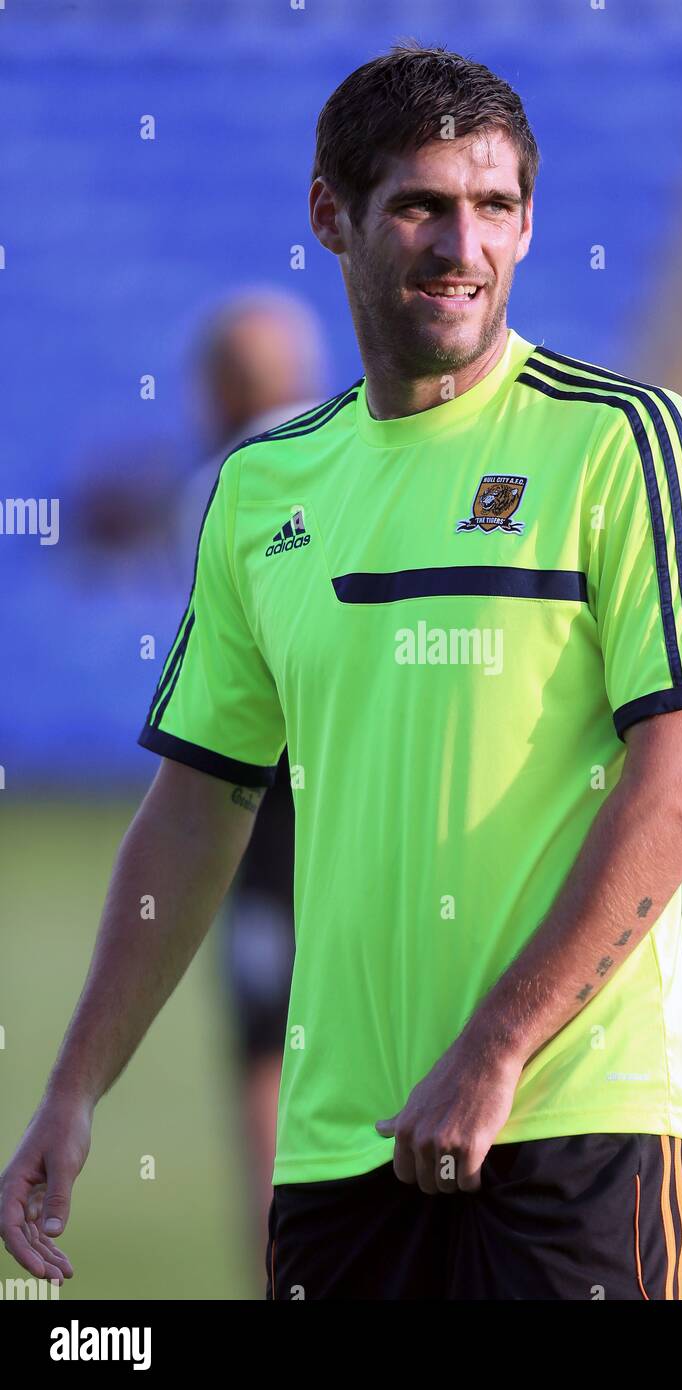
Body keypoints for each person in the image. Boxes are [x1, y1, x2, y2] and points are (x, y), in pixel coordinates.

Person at [0, 42, 682, 1301]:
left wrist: (495, 1049)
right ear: (329, 216)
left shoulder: (623, 441)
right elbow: (196, 808)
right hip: (340, 1153)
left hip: (581, 1129)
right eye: (421, 205)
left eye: (496, 206)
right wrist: (75, 1088)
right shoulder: (261, 488)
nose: (464, 244)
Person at [179, 291, 327, 1278]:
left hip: (268, 815)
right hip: (379, 795)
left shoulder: (228, 481)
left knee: (266, 1062)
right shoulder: (361, 449)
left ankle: (285, 1270)